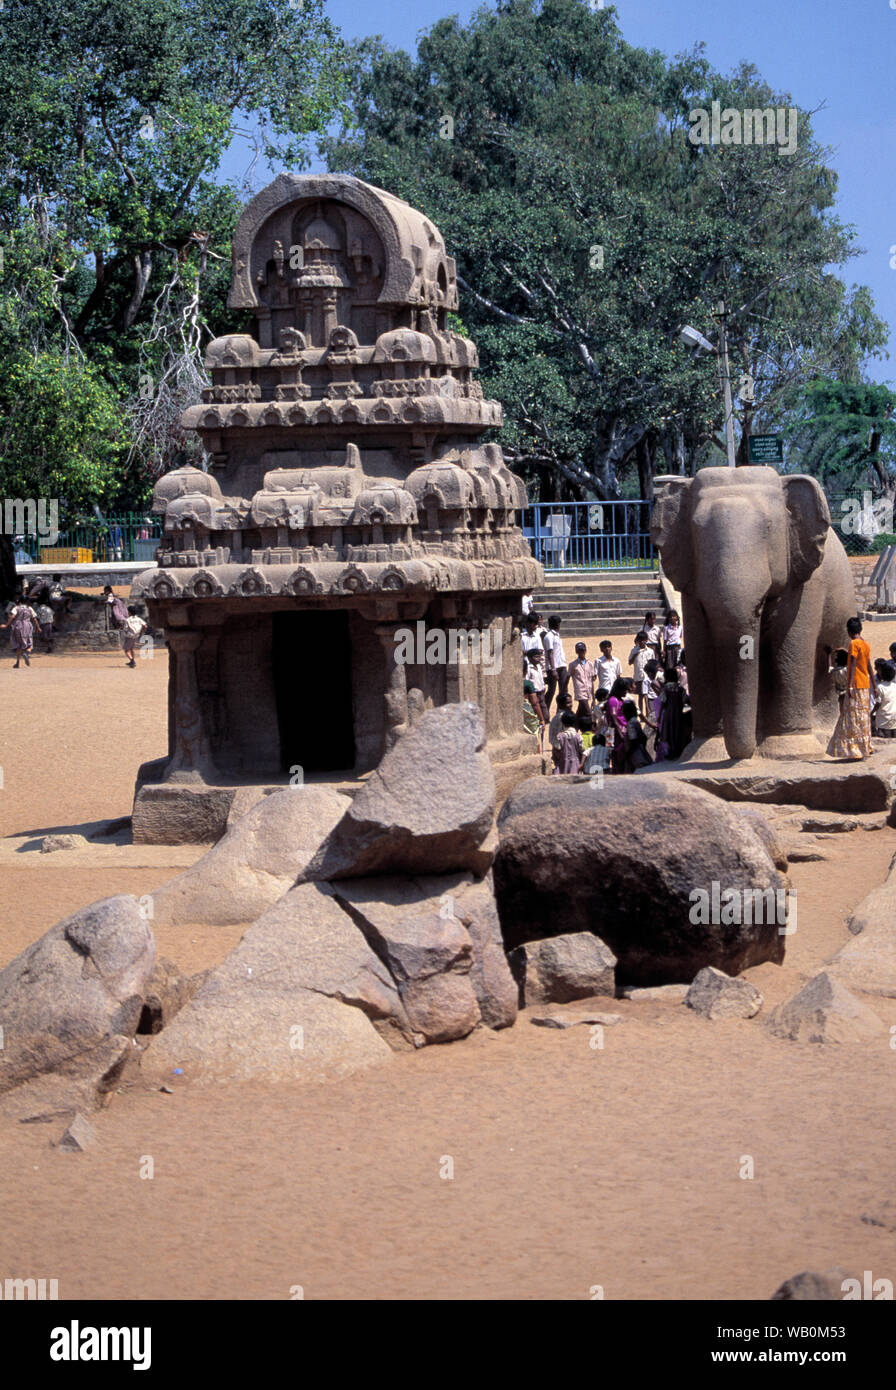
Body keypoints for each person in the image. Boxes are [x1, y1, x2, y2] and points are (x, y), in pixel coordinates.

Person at [827, 617, 875, 760]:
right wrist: (874, 683)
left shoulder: (854, 644)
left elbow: (853, 663)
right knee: (862, 717)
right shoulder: (865, 644)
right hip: (864, 685)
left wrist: (850, 685)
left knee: (852, 717)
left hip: (855, 686)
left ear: (849, 631)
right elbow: (867, 665)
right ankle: (864, 747)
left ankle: (854, 750)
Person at [656, 667, 688, 761]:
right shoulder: (681, 688)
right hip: (679, 713)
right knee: (677, 731)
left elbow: (663, 702)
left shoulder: (666, 688)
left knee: (669, 731)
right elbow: (684, 700)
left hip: (669, 712)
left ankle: (671, 752)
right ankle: (678, 751)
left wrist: (659, 715)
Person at [543, 615, 569, 714]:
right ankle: (545, 712)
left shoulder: (557, 635)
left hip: (561, 665)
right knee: (551, 691)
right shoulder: (549, 636)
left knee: (563, 690)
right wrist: (553, 669)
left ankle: (560, 712)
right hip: (553, 668)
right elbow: (550, 653)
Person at [1, 600, 39, 668]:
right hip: (27, 626)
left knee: (19, 645)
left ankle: (17, 663)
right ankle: (26, 654)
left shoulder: (16, 608)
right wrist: (38, 628)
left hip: (17, 626)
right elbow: (34, 619)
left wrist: (6, 625)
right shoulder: (29, 608)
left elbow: (12, 616)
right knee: (29, 643)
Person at [605, 676, 630, 774]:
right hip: (614, 732)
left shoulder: (619, 700)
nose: (626, 692)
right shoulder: (613, 700)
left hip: (618, 731)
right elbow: (614, 719)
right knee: (617, 756)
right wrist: (621, 734)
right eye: (624, 690)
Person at [622, 698, 653, 772]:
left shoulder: (630, 724)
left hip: (636, 752)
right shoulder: (635, 721)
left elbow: (633, 739)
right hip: (640, 748)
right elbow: (643, 737)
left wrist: (629, 752)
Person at [553, 710, 585, 774]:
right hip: (576, 765)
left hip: (562, 765)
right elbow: (582, 751)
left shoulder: (559, 737)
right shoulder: (579, 737)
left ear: (563, 723)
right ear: (574, 723)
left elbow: (555, 751)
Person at [628, 630, 652, 717]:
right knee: (640, 696)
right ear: (637, 640)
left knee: (647, 694)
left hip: (647, 676)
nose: (642, 642)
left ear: (646, 640)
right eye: (640, 640)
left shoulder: (650, 651)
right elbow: (630, 662)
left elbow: (652, 663)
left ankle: (648, 712)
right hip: (638, 676)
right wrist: (635, 654)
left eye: (644, 640)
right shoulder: (634, 650)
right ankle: (641, 713)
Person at [569, 641, 595, 718]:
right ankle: (594, 729)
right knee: (589, 713)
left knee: (580, 713)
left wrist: (593, 698)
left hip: (588, 691)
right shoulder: (573, 665)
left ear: (585, 651)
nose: (581, 652)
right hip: (580, 692)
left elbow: (592, 681)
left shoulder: (590, 664)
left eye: (582, 650)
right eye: (579, 650)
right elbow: (568, 677)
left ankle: (575, 727)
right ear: (576, 651)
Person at [524, 648, 549, 726]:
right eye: (536, 657)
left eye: (539, 657)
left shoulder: (539, 667)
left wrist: (543, 687)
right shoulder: (528, 668)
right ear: (530, 658)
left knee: (544, 708)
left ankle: (545, 721)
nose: (538, 659)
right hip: (534, 693)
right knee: (536, 708)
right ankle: (540, 722)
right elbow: (527, 680)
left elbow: (541, 679)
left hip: (541, 691)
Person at [873, 662, 896, 739]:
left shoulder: (880, 687)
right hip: (894, 718)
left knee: (884, 739)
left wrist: (872, 712)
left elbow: (878, 703)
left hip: (883, 719)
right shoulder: (894, 686)